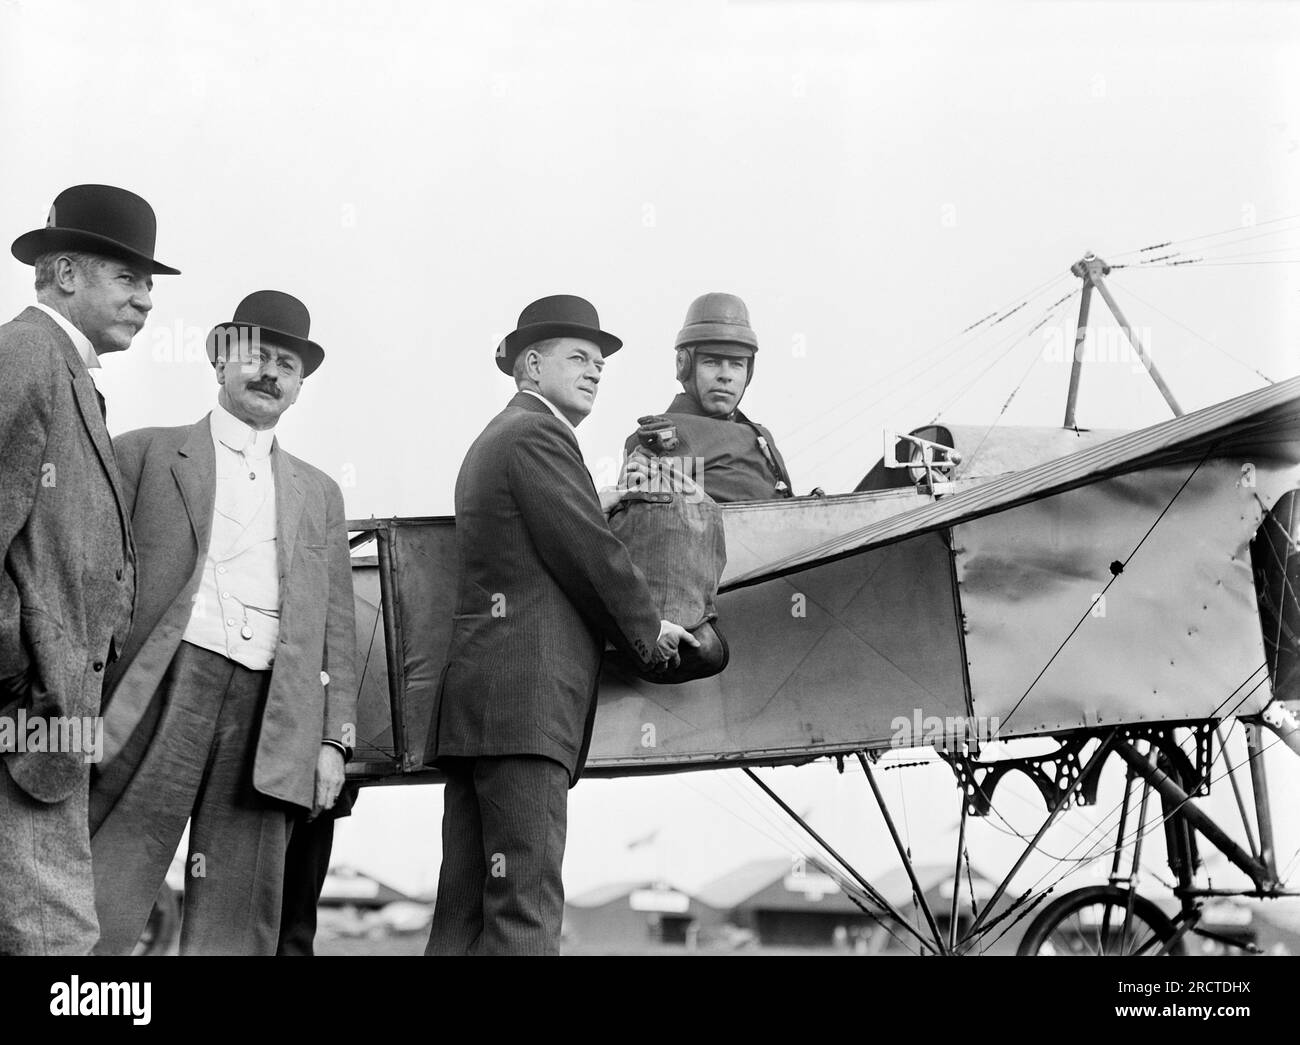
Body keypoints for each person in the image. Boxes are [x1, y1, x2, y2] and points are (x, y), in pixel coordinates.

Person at [424, 294, 698, 956]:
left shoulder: (501, 436)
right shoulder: (538, 435)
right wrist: (649, 629)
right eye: (579, 356)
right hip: (524, 709)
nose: (596, 370)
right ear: (530, 366)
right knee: (525, 910)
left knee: (462, 918)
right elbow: (589, 548)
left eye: (600, 362)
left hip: (483, 713)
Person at [89, 290, 357, 955]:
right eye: (255, 356)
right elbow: (88, 581)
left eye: (285, 365)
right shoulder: (143, 454)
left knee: (241, 920)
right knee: (106, 884)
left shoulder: (320, 492)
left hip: (271, 714)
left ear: (298, 386)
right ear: (218, 364)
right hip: (161, 691)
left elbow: (338, 634)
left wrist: (334, 744)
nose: (269, 373)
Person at [0, 184, 178, 955]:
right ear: (66, 273)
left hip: (47, 725)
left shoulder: (61, 367)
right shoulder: (27, 357)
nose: (144, 301)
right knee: (57, 943)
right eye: (127, 278)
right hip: (26, 722)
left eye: (148, 286)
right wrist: (22, 676)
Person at [624, 292, 794, 503]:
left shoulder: (760, 436)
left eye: (737, 364)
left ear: (749, 372)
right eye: (712, 362)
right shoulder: (660, 435)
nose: (725, 375)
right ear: (683, 365)